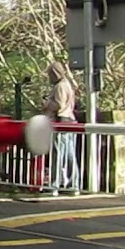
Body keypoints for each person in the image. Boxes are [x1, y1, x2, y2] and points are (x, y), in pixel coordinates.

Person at [43, 60, 80, 195]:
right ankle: (74, 184)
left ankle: (54, 185)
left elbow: (58, 104)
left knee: (58, 155)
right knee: (70, 155)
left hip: (60, 121)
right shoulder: (68, 85)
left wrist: (47, 103)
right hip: (70, 121)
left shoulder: (60, 86)